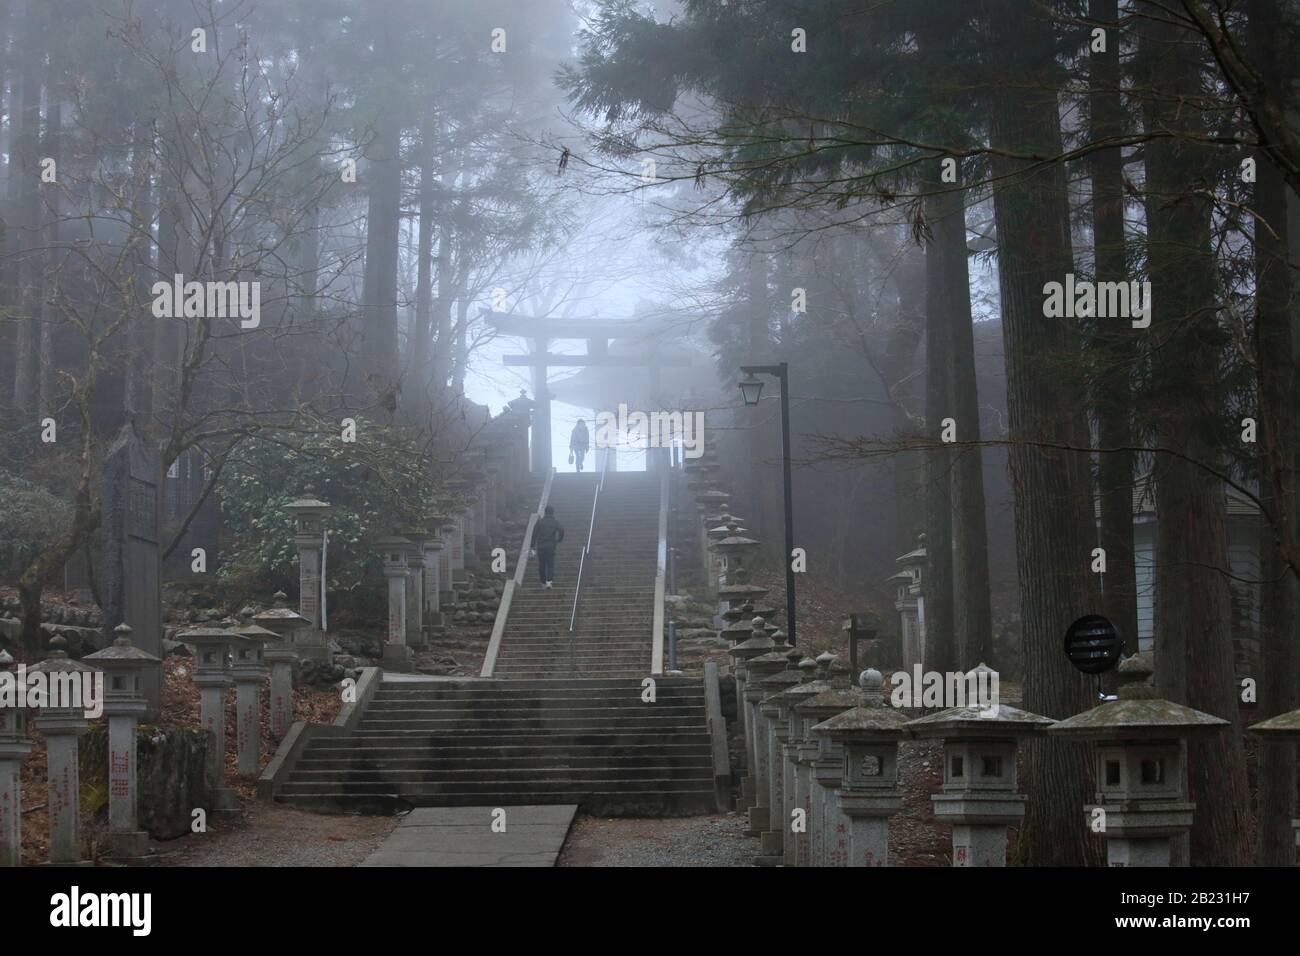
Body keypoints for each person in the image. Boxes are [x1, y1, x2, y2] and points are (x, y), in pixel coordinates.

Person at [529, 505, 565, 588]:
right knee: (550, 564)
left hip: (541, 546)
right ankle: (549, 581)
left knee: (541, 565)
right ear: (553, 513)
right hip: (551, 546)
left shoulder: (540, 522)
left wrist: (532, 546)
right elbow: (562, 529)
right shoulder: (555, 522)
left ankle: (543, 582)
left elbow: (534, 534)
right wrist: (559, 539)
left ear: (545, 512)